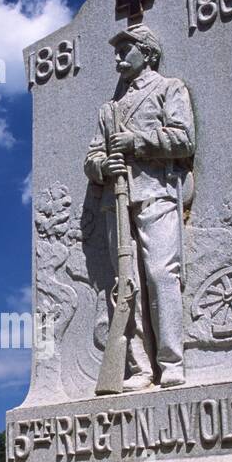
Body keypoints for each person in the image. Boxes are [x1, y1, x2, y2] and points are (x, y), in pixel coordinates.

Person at [84, 24, 195, 390]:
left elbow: (184, 139)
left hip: (157, 192)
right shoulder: (109, 109)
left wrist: (137, 142)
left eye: (125, 49)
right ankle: (139, 368)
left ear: (147, 53)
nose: (118, 56)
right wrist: (103, 166)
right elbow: (92, 156)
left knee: (162, 275)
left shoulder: (169, 88)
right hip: (116, 202)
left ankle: (171, 362)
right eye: (116, 49)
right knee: (124, 284)